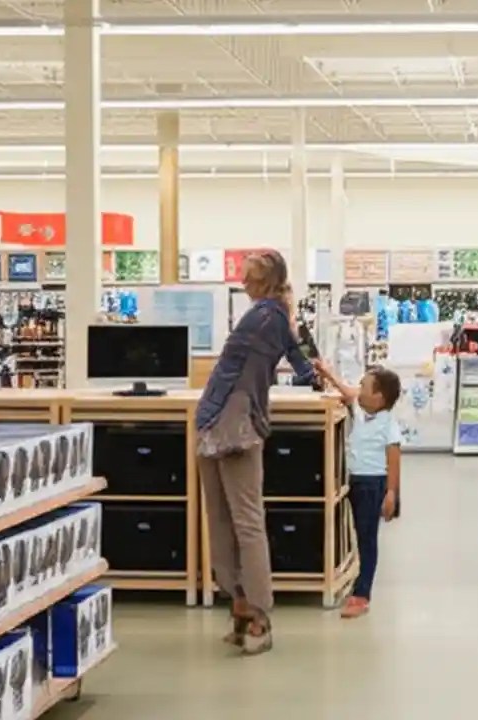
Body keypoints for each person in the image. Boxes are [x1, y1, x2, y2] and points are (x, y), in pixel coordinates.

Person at [195, 250, 315, 655]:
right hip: (222, 422)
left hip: (232, 424)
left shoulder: (265, 316)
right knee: (228, 520)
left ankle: (258, 614)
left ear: (264, 282)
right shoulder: (276, 317)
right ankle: (243, 607)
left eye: (248, 277)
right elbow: (301, 364)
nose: (242, 283)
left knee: (240, 521)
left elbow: (286, 364)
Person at [316, 364, 404, 619]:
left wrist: (392, 493)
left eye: (363, 386)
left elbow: (394, 459)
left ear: (379, 398)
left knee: (367, 539)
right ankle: (358, 584)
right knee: (357, 535)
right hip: (354, 481)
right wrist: (327, 373)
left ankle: (362, 594)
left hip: (373, 484)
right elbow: (346, 391)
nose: (358, 390)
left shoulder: (389, 424)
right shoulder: (360, 410)